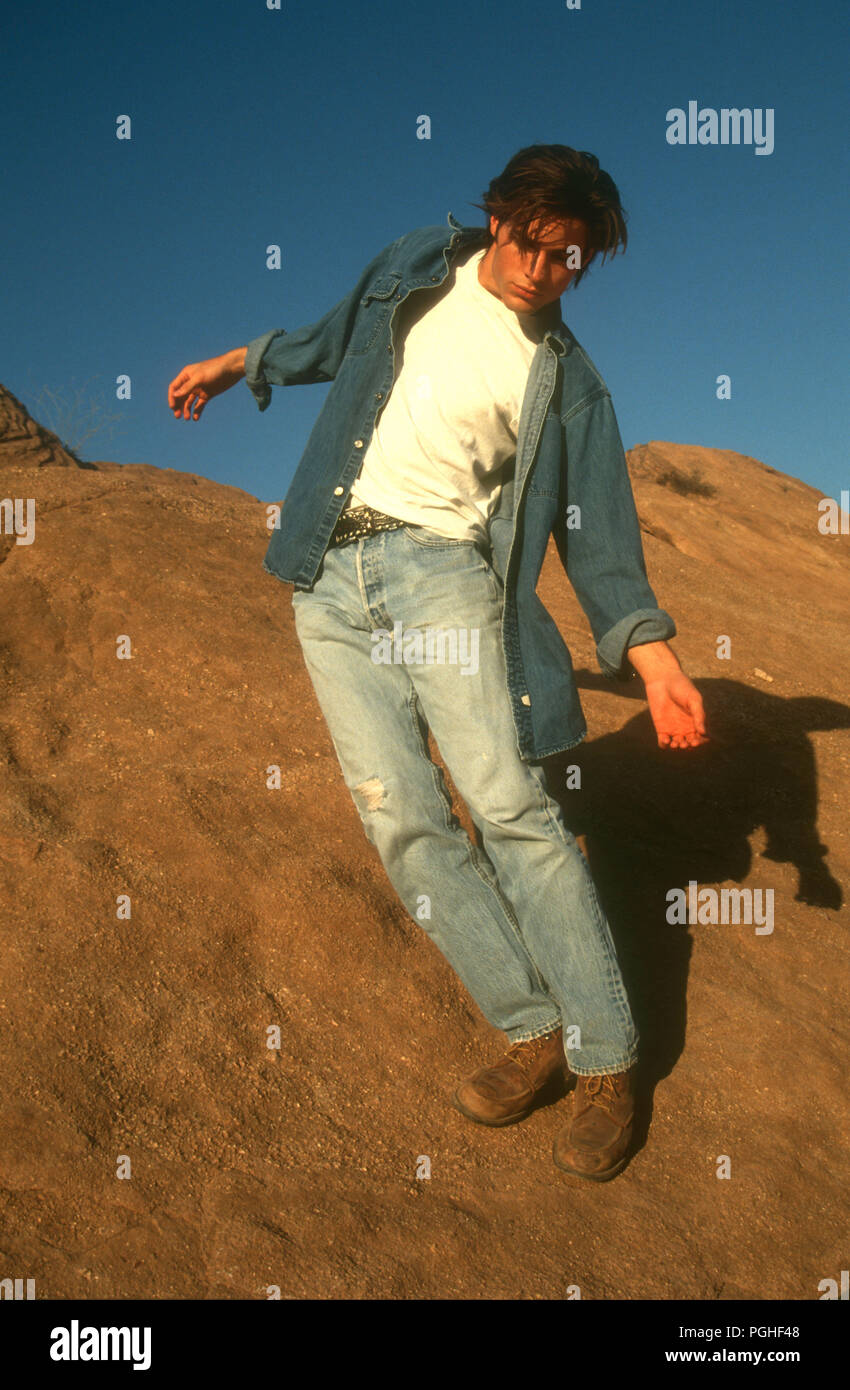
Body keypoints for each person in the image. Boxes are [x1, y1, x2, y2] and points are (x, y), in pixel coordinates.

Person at [167, 144, 709, 1182]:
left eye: (574, 260)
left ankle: (608, 1062)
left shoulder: (567, 380)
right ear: (499, 220)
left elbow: (598, 539)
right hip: (327, 572)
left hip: (444, 579)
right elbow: (330, 338)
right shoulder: (417, 264)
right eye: (538, 244)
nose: (549, 271)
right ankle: (531, 1024)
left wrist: (654, 658)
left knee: (508, 807)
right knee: (398, 812)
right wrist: (239, 363)